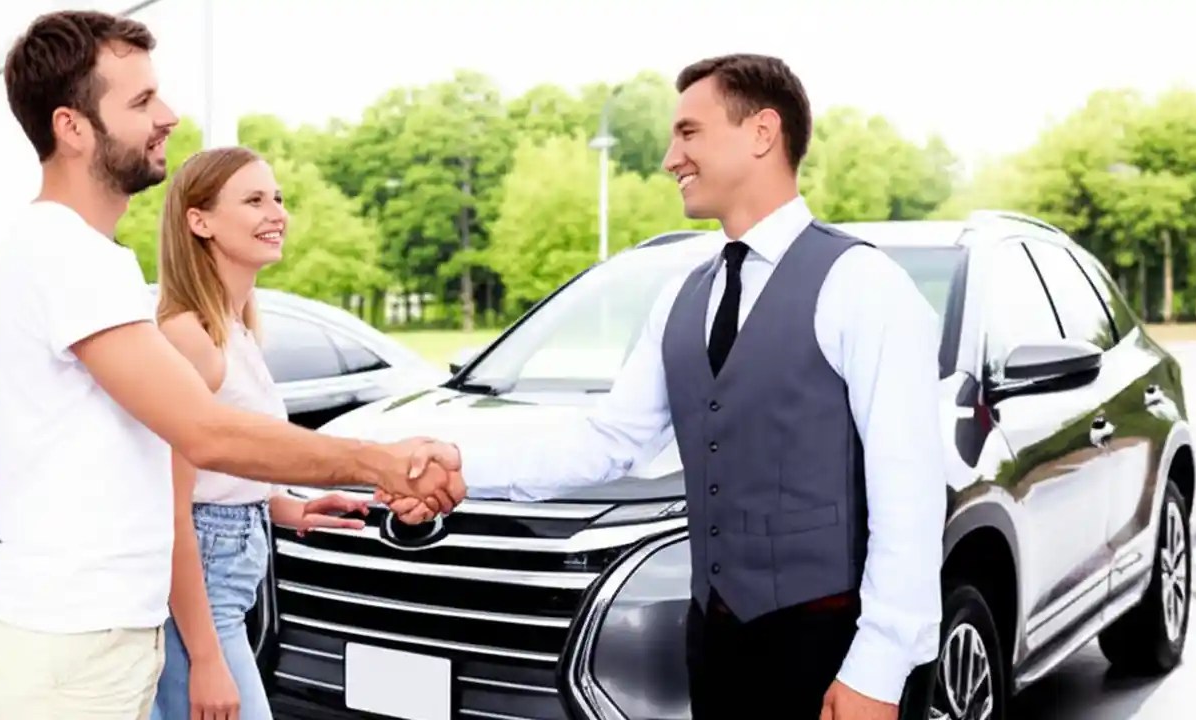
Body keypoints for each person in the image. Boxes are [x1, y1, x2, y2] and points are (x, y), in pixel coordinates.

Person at [380, 53, 944, 719]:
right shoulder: (683, 295)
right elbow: (609, 442)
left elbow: (908, 492)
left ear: (762, 133)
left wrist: (878, 668)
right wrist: (458, 463)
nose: (670, 158)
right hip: (714, 640)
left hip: (829, 644)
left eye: (689, 133)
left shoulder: (864, 285)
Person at [0, 11, 460, 720]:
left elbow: (151, 460)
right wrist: (383, 463)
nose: (167, 117)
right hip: (65, 647)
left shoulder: (80, 256)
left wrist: (280, 504)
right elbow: (206, 432)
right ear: (72, 127)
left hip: (90, 640)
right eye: (140, 102)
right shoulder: (62, 255)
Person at [146, 146, 374, 720]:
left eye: (277, 197)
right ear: (199, 221)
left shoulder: (237, 328)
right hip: (200, 597)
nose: (277, 213)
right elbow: (170, 511)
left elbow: (218, 469)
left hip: (227, 573)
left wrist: (283, 505)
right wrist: (206, 659)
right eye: (253, 200)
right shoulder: (188, 338)